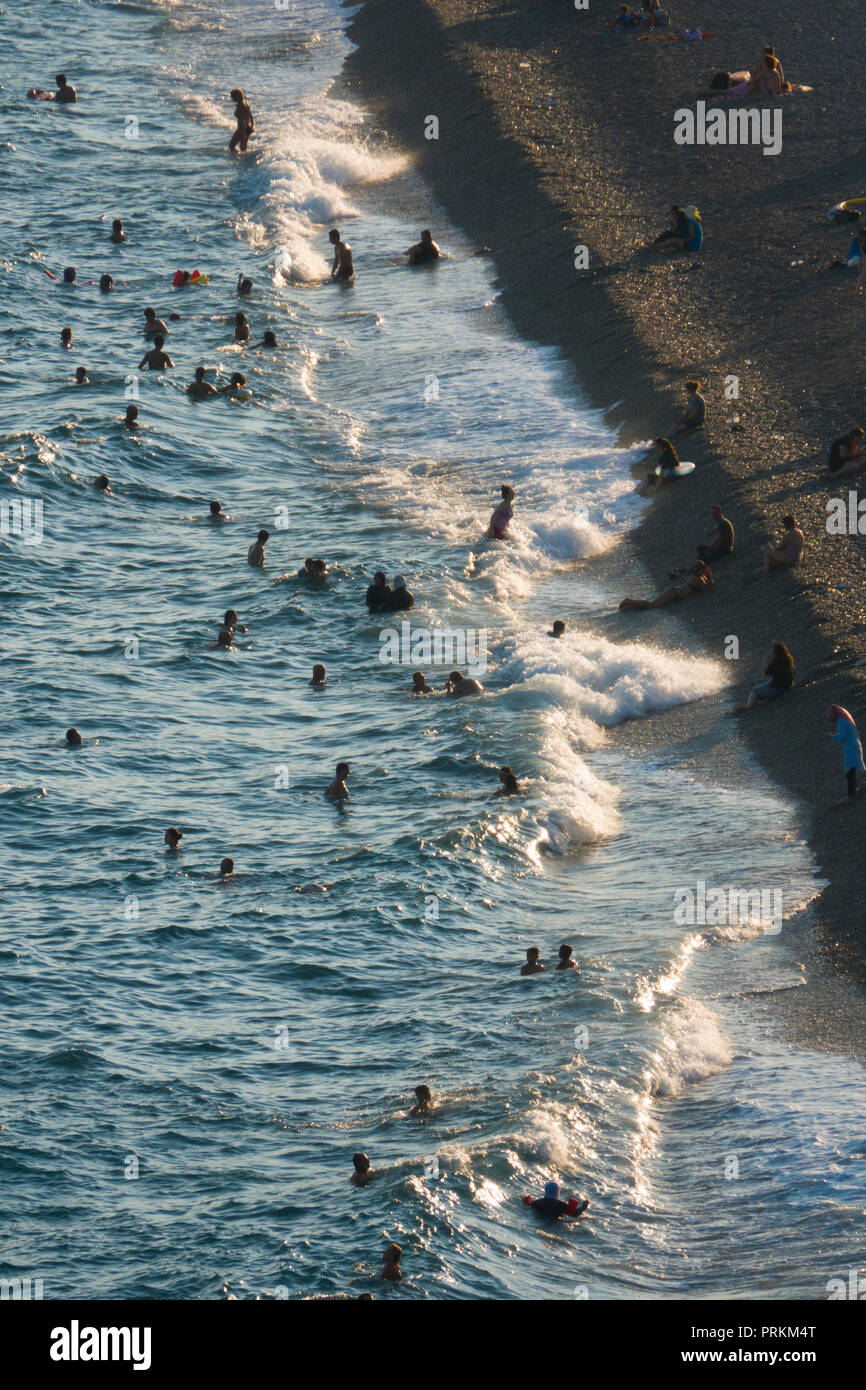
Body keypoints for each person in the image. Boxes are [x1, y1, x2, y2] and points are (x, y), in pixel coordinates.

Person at [619, 560, 713, 610]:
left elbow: (709, 585)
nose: (706, 571)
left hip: (674, 595)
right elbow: (708, 586)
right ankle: (629, 601)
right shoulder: (697, 578)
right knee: (651, 605)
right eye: (704, 570)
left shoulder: (700, 578)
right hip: (673, 593)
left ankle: (630, 605)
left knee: (652, 605)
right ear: (700, 570)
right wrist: (708, 575)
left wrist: (708, 575)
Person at [739, 643, 795, 710]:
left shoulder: (775, 663)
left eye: (772, 651)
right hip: (787, 686)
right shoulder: (788, 660)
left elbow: (764, 672)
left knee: (754, 691)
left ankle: (748, 706)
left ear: (775, 653)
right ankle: (764, 700)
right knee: (765, 692)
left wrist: (766, 660)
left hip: (778, 688)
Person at [826, 705, 865, 799]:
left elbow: (842, 736)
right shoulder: (846, 720)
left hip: (850, 747)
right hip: (854, 746)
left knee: (850, 770)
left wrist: (831, 736)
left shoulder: (841, 721)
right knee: (852, 769)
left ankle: (852, 794)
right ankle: (854, 791)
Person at [523, 1180, 589, 1219]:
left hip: (539, 1219)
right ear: (557, 1192)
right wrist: (584, 1206)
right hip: (555, 1222)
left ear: (546, 1190)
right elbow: (575, 1214)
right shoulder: (561, 1205)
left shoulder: (536, 1203)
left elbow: (528, 1206)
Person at [229, 88, 254, 152]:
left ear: (236, 97)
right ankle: (243, 159)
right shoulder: (246, 103)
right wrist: (252, 127)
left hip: (242, 128)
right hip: (248, 127)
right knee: (243, 148)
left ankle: (235, 159)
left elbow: (242, 119)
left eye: (232, 97)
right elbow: (251, 116)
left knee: (231, 146)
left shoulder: (240, 106)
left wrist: (242, 132)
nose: (232, 99)